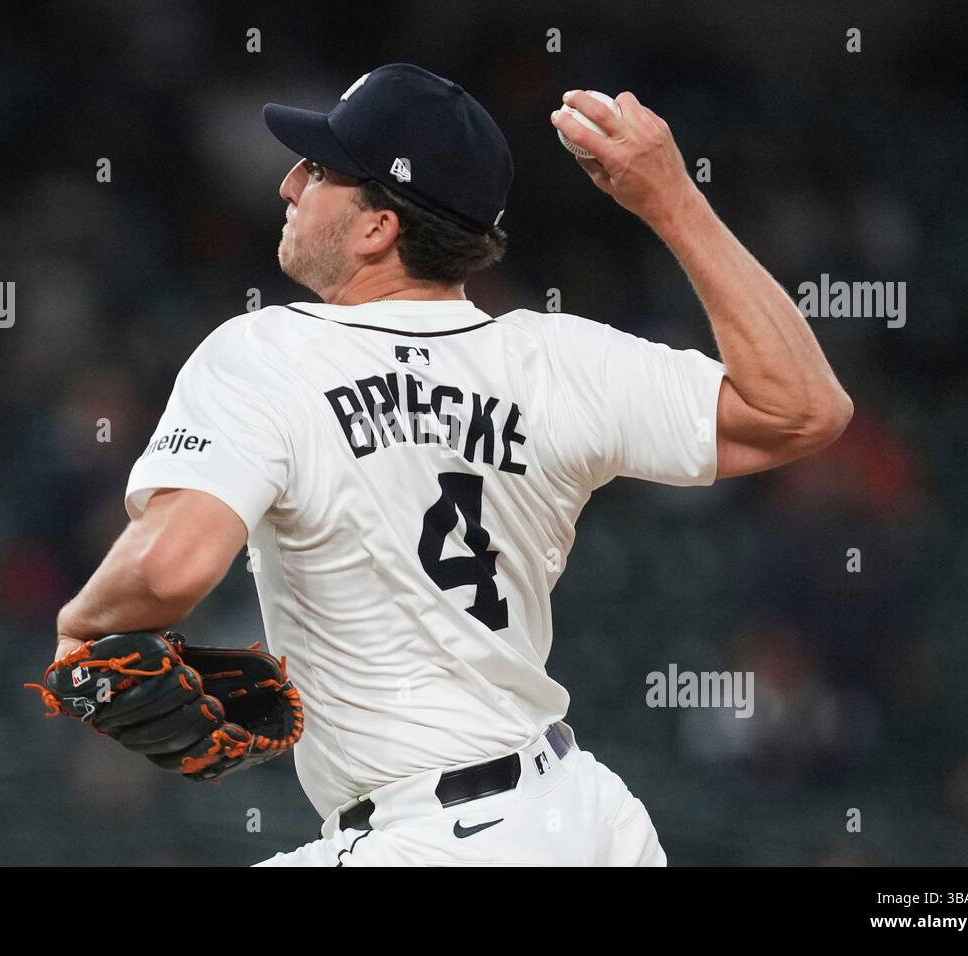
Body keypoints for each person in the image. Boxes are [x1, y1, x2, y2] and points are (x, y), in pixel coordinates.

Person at [50, 63, 852, 866]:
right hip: (583, 820)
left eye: (321, 169)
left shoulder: (267, 351)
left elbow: (168, 572)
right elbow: (805, 409)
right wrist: (672, 202)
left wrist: (83, 628)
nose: (291, 182)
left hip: (429, 840)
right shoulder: (555, 359)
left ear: (377, 228)